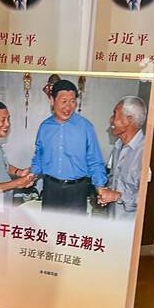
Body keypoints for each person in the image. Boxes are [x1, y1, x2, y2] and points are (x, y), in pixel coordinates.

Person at [29, 79, 108, 212]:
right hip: (51, 189)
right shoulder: (45, 127)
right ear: (52, 101)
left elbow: (95, 160)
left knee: (73, 230)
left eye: (72, 101)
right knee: (49, 229)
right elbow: (39, 155)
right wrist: (33, 173)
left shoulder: (85, 127)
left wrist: (100, 187)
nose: (68, 107)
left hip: (77, 190)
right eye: (64, 101)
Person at [98, 95, 146, 216]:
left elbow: (146, 198)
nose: (111, 119)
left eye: (115, 115)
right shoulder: (118, 146)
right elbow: (114, 179)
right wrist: (107, 193)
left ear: (128, 120)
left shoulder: (144, 152)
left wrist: (117, 196)